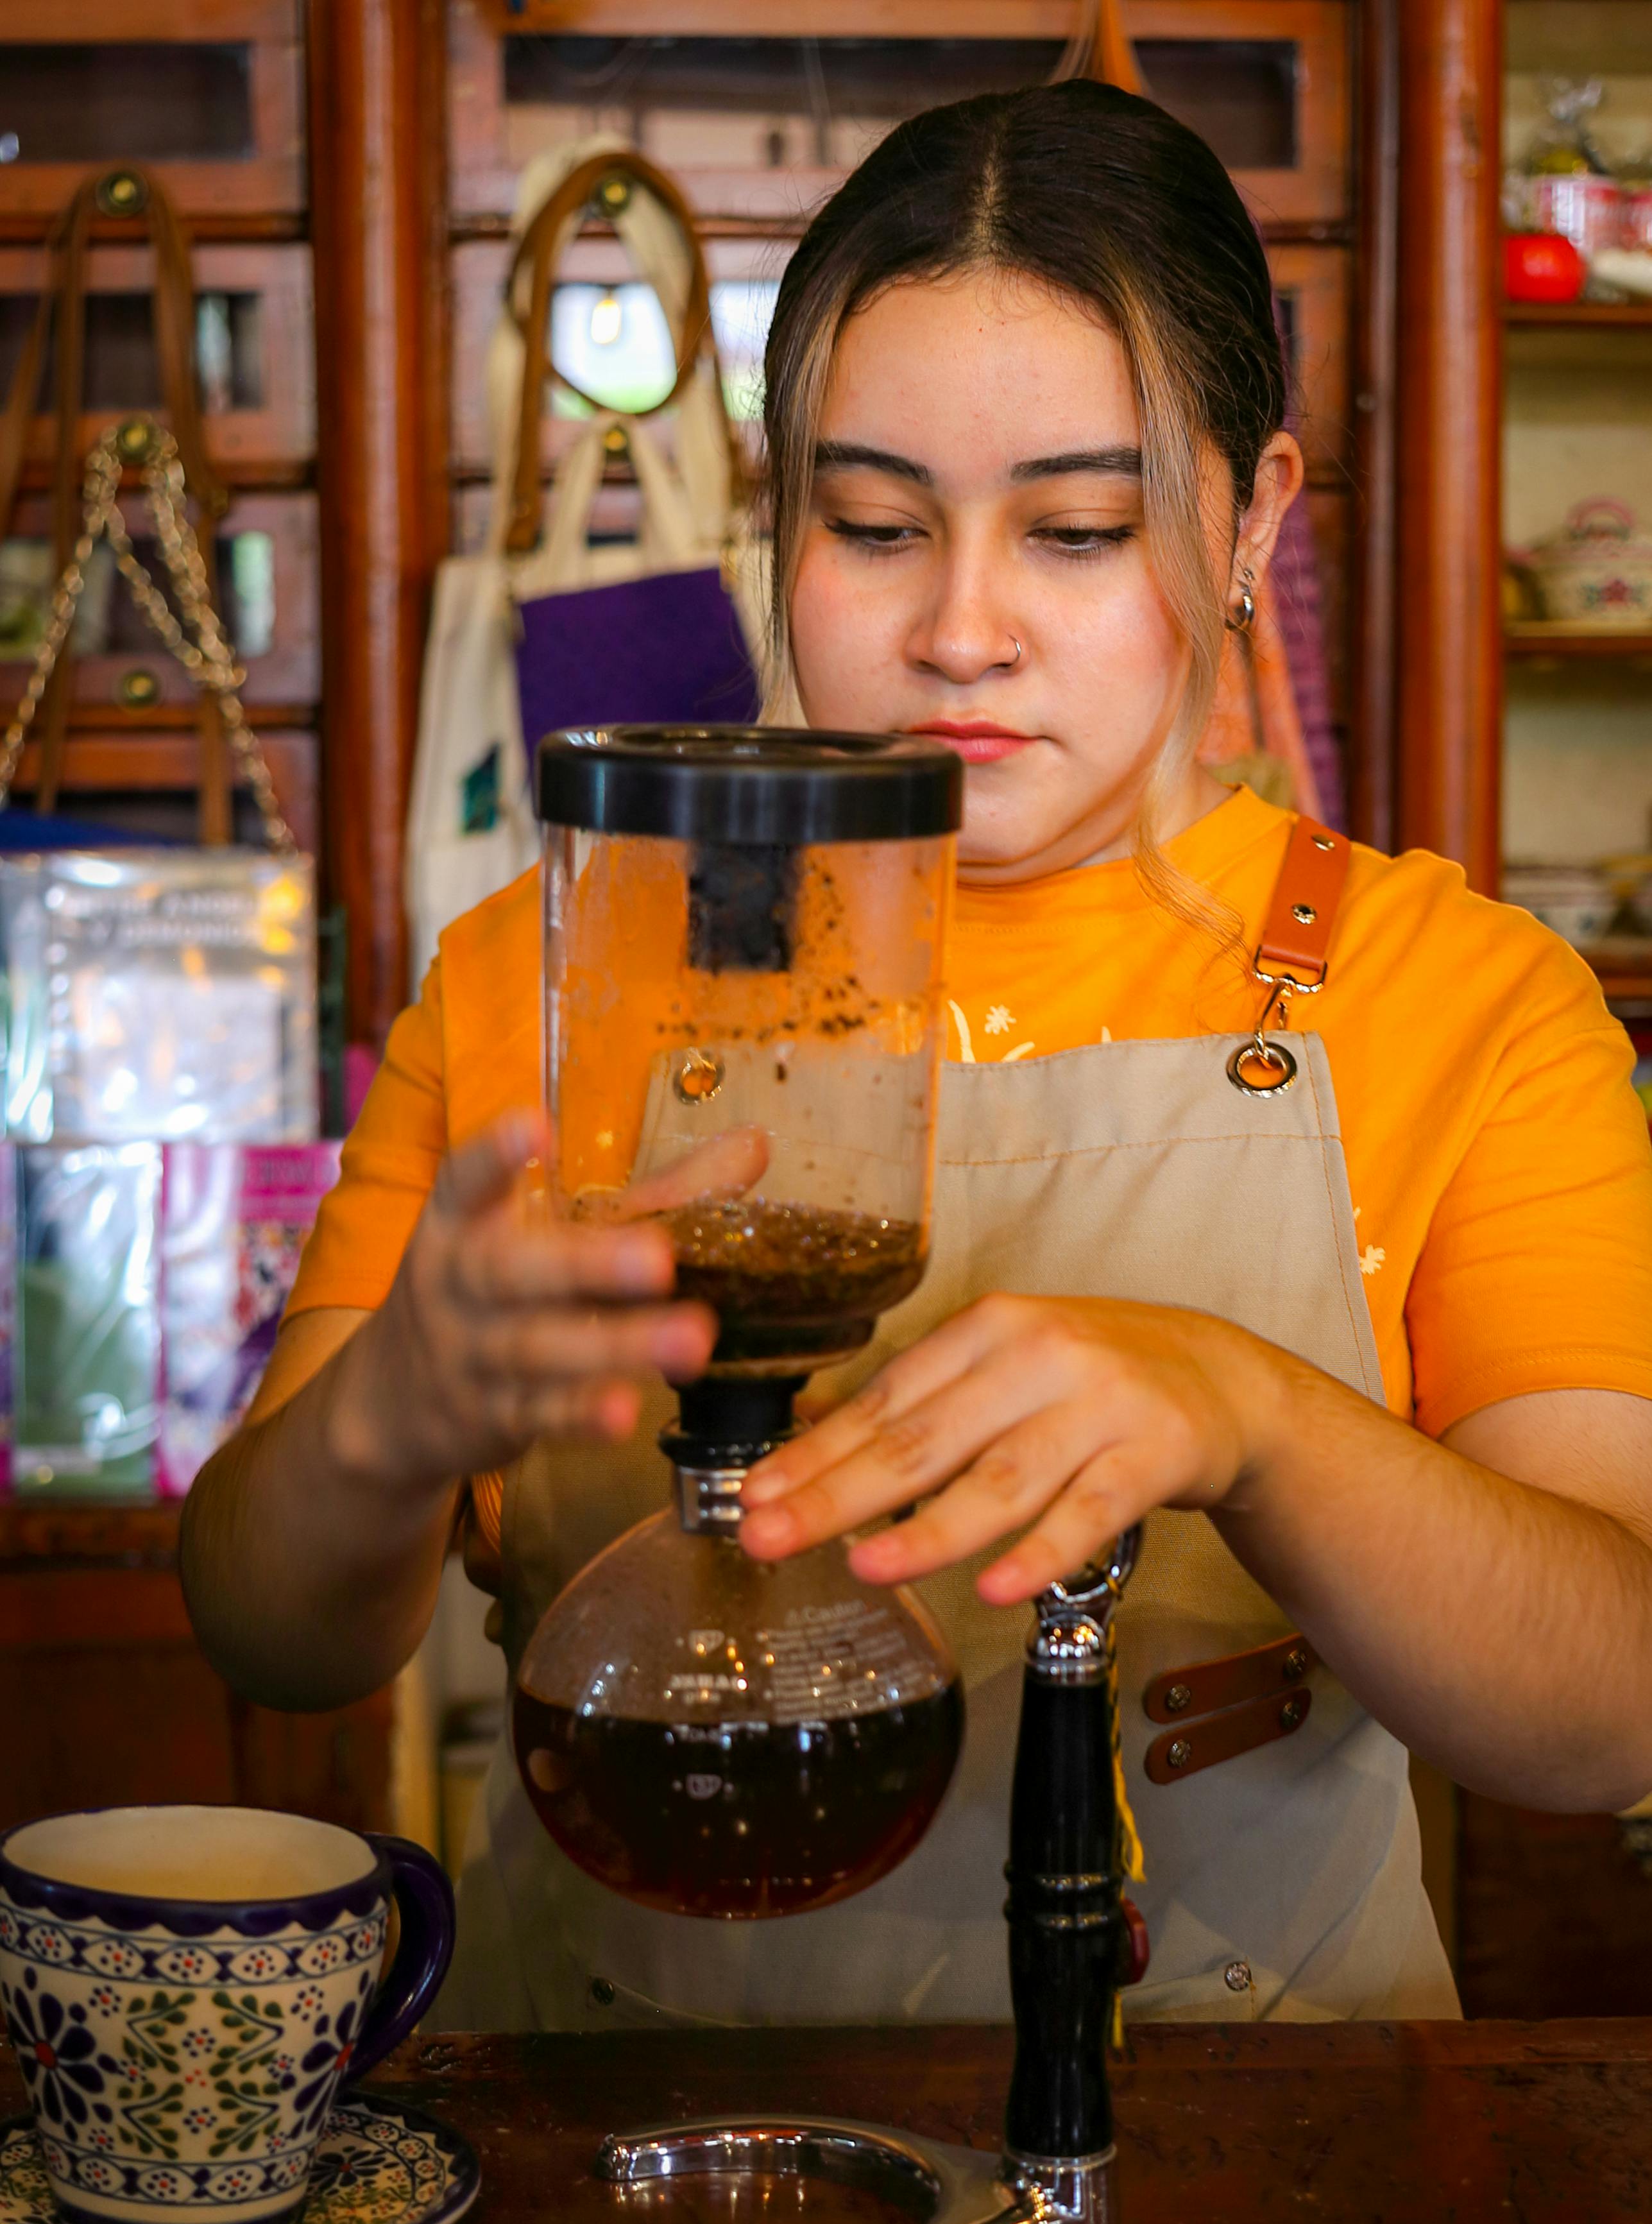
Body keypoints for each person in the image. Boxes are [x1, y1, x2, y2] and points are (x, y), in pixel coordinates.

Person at [183, 80, 1652, 2030]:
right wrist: (390, 1419)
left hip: (1261, 2146)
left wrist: (1255, 1417)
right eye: (874, 524)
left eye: (1077, 527)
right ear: (780, 507)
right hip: (611, 2123)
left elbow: (1606, 1702)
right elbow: (266, 1632)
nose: (964, 629)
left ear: (1252, 520)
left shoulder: (1451, 993)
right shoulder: (543, 979)